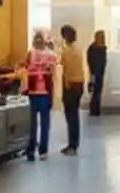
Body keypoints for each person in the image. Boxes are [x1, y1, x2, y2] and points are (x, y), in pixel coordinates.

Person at [22, 31, 57, 161]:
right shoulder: (37, 54)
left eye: (39, 39)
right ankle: (35, 150)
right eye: (36, 39)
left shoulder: (41, 54)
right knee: (36, 124)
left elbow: (54, 72)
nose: (37, 42)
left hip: (42, 94)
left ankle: (39, 150)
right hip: (35, 93)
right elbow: (24, 67)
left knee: (40, 124)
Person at [58, 25, 86, 155]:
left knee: (70, 116)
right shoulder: (79, 49)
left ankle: (72, 145)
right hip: (79, 84)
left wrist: (66, 84)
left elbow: (66, 70)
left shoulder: (66, 51)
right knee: (75, 114)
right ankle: (74, 144)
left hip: (70, 85)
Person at [87, 30, 107, 117]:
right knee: (95, 91)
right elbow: (91, 61)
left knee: (98, 91)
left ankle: (96, 109)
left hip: (99, 72)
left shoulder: (101, 48)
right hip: (94, 72)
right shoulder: (93, 48)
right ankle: (94, 109)